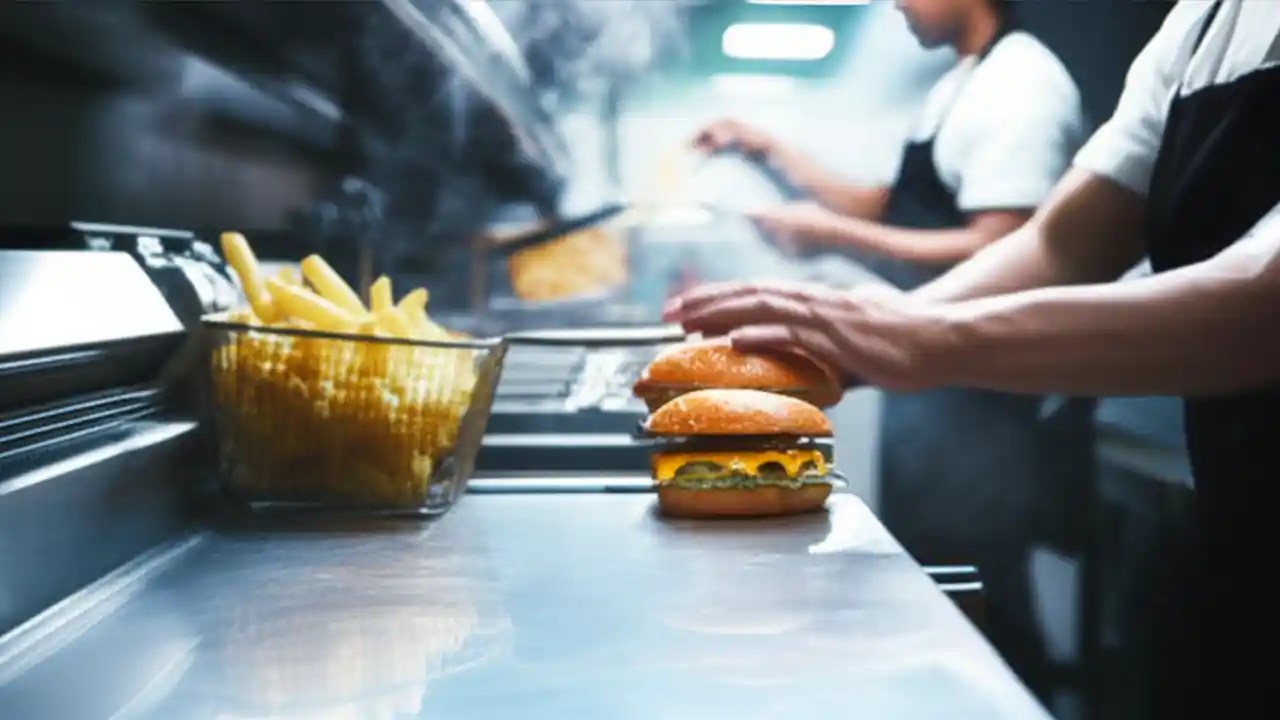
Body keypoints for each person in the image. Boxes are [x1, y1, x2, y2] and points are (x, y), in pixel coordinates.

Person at [670, 1, 1280, 715]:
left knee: (997, 610)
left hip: (1003, 409)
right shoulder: (1204, 20)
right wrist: (852, 345)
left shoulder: (1021, 79)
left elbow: (1263, 304)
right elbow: (1059, 244)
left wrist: (919, 337)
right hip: (1240, 521)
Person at [692, 0, 1086, 698]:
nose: (896, 4)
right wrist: (767, 154)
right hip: (934, 395)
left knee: (982, 603)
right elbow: (888, 207)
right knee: (937, 595)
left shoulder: (1022, 83)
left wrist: (826, 237)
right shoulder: (959, 85)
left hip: (985, 405)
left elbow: (999, 251)